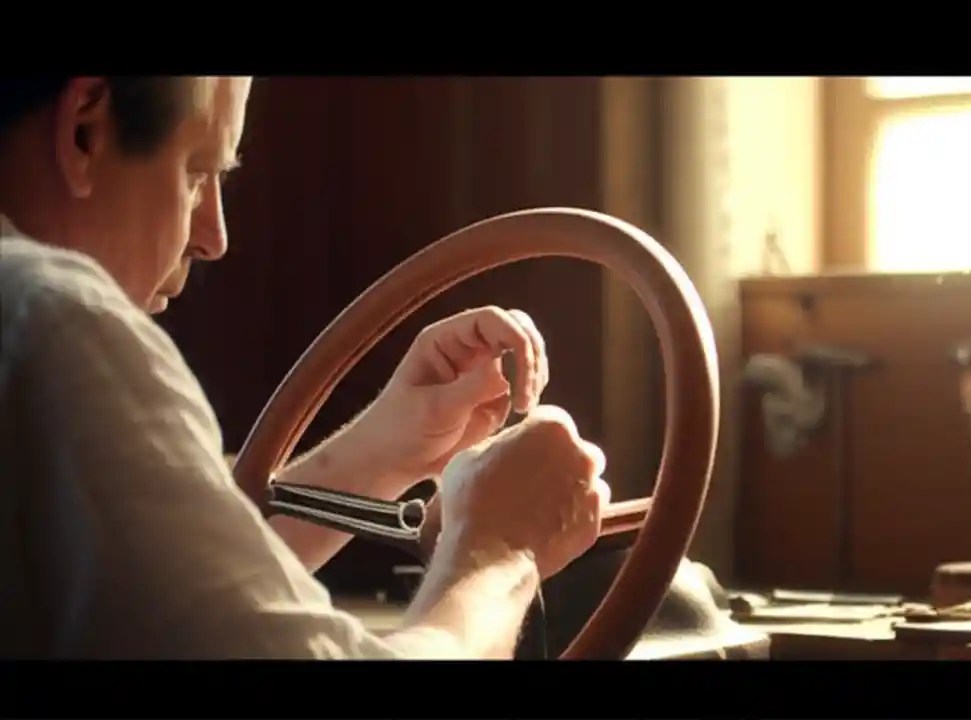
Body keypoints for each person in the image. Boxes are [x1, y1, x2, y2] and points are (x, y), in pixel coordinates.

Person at [0, 76, 612, 659]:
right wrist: (500, 546)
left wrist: (381, 452)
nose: (214, 236)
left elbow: (160, 591)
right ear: (85, 132)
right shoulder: (48, 319)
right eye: (195, 172)